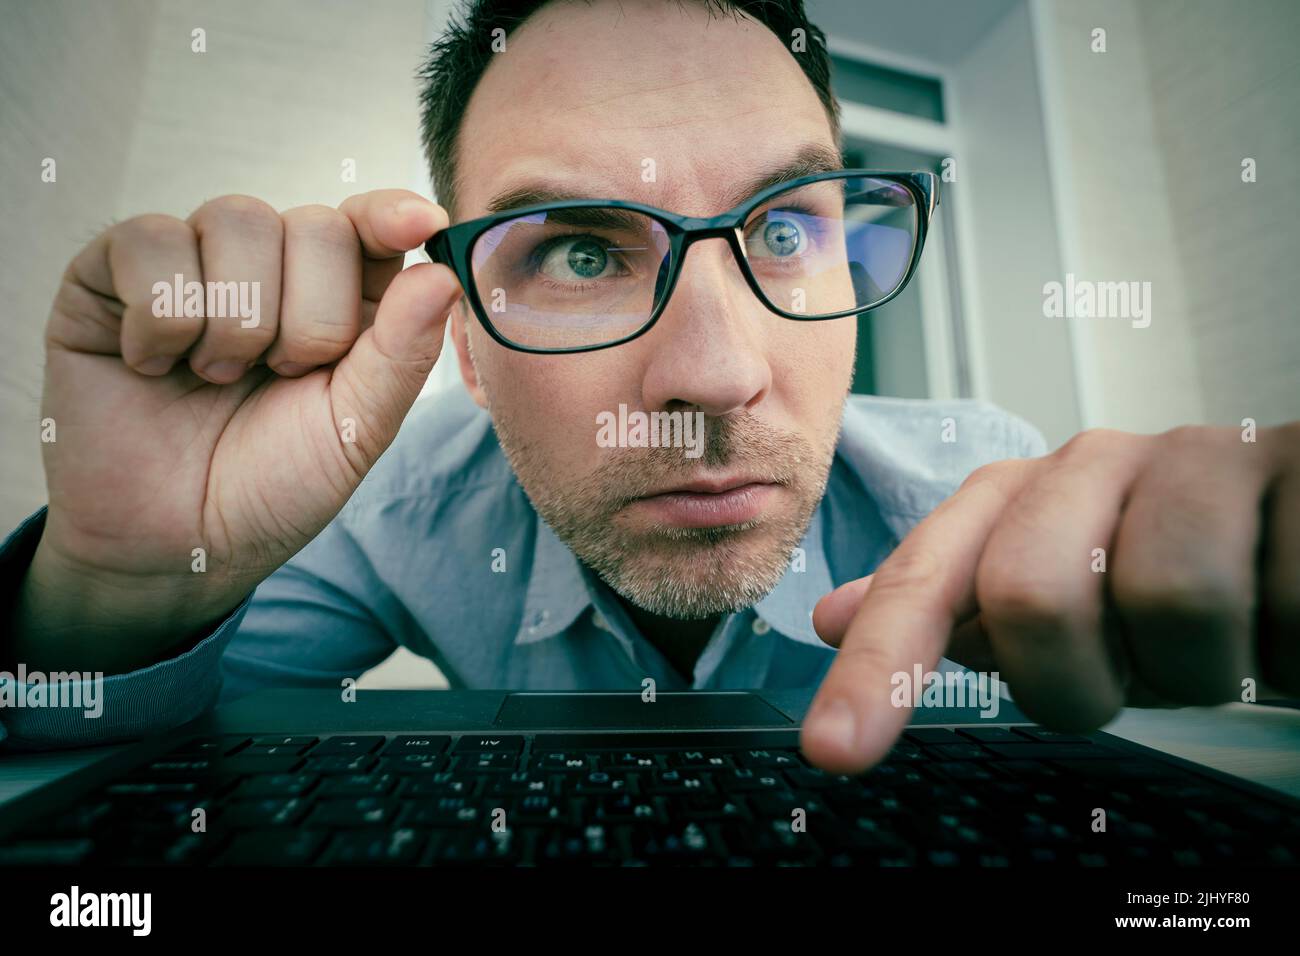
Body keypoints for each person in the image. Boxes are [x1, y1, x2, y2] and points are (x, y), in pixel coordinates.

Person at [2, 0, 1296, 774]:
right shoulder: (395, 500)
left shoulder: (973, 498)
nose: (717, 376)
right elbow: (102, 757)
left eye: (787, 228)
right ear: (462, 334)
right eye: (579, 249)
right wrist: (117, 594)